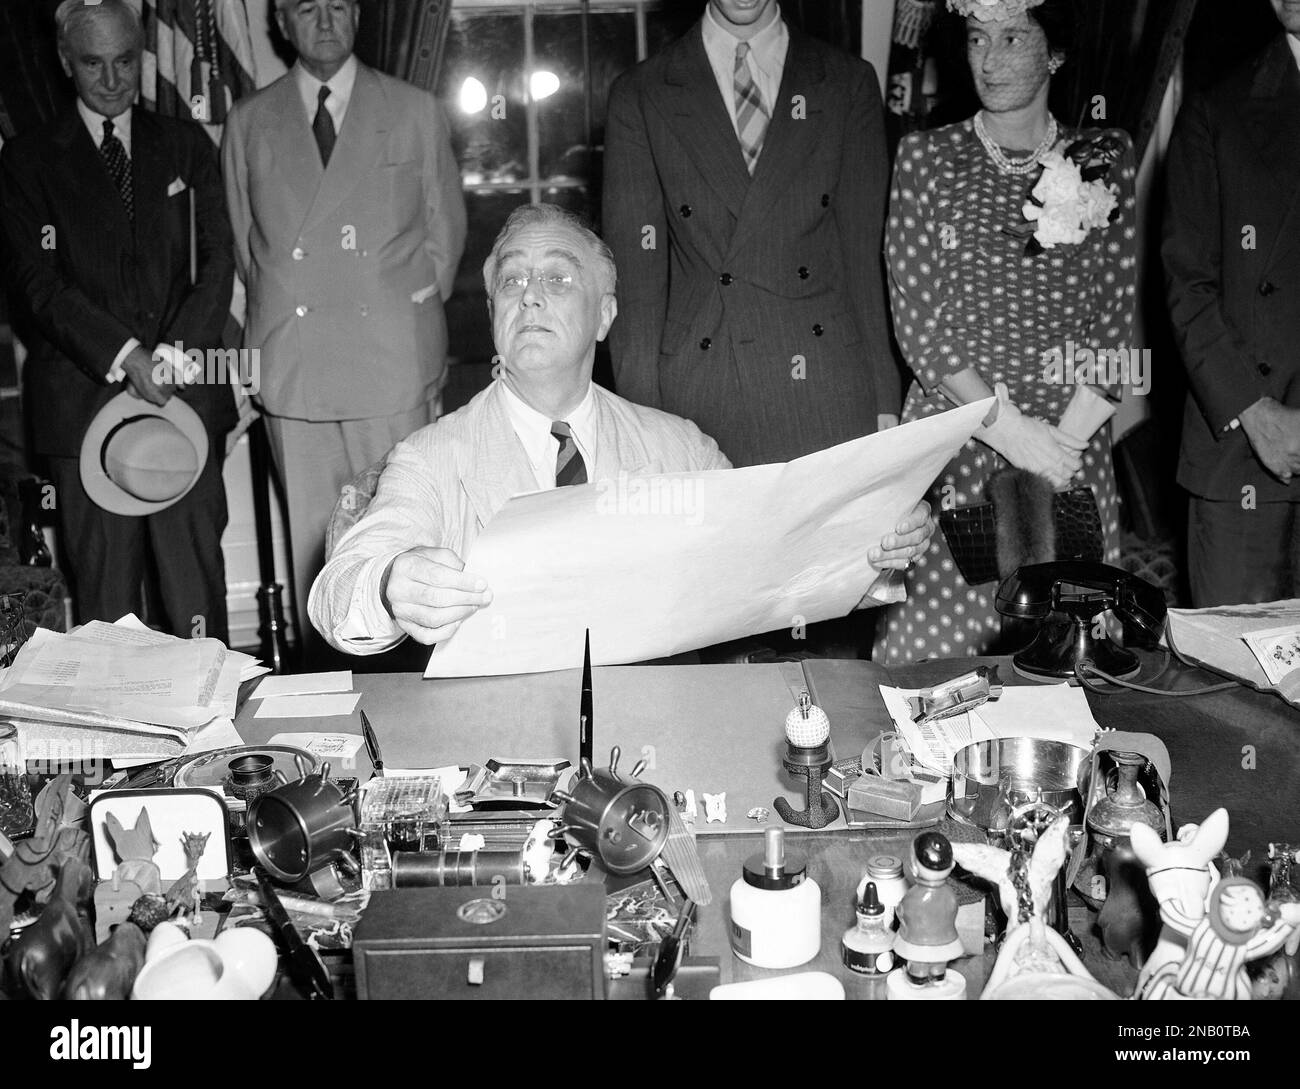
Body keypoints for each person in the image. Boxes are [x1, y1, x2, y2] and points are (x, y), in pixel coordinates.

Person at [310, 204, 934, 657]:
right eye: (511, 281)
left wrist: (869, 548)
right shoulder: (430, 458)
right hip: (500, 752)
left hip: (660, 740)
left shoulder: (680, 448)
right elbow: (336, 592)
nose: (529, 297)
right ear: (494, 312)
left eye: (557, 278)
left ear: (605, 314)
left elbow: (775, 564)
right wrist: (391, 583)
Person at [875, 0, 1136, 664]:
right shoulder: (925, 158)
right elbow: (922, 331)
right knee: (936, 675)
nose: (989, 60)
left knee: (1065, 670)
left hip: (1072, 453)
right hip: (959, 436)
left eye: (1013, 37)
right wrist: (1011, 431)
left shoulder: (1105, 156)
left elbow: (1116, 332)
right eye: (976, 38)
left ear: (1055, 53)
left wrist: (1060, 446)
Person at [221, 0, 466, 652]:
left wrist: (391, 314)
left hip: (391, 369)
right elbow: (248, 249)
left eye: (337, 5)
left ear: (357, 14)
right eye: (306, 7)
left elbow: (444, 241)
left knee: (407, 552)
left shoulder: (413, 109)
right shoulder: (248, 122)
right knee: (319, 565)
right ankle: (329, 710)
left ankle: (419, 711)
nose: (324, 20)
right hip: (297, 371)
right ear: (279, 23)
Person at [0, 0, 236, 640]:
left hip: (184, 394)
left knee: (196, 595)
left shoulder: (186, 144)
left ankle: (217, 731)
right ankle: (121, 737)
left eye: (125, 61)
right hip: (84, 409)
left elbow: (219, 262)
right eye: (93, 64)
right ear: (64, 63)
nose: (111, 80)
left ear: (142, 56)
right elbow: (34, 284)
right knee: (108, 608)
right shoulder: (26, 162)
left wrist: (174, 355)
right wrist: (125, 353)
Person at [602, 0, 900, 470]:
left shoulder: (846, 80)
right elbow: (637, 286)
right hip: (702, 397)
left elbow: (867, 257)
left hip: (830, 387)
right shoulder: (641, 93)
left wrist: (885, 397)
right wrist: (642, 425)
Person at [1163, 0, 1300, 607]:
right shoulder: (1216, 109)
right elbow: (1188, 283)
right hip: (1247, 454)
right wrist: (1258, 411)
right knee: (1238, 689)